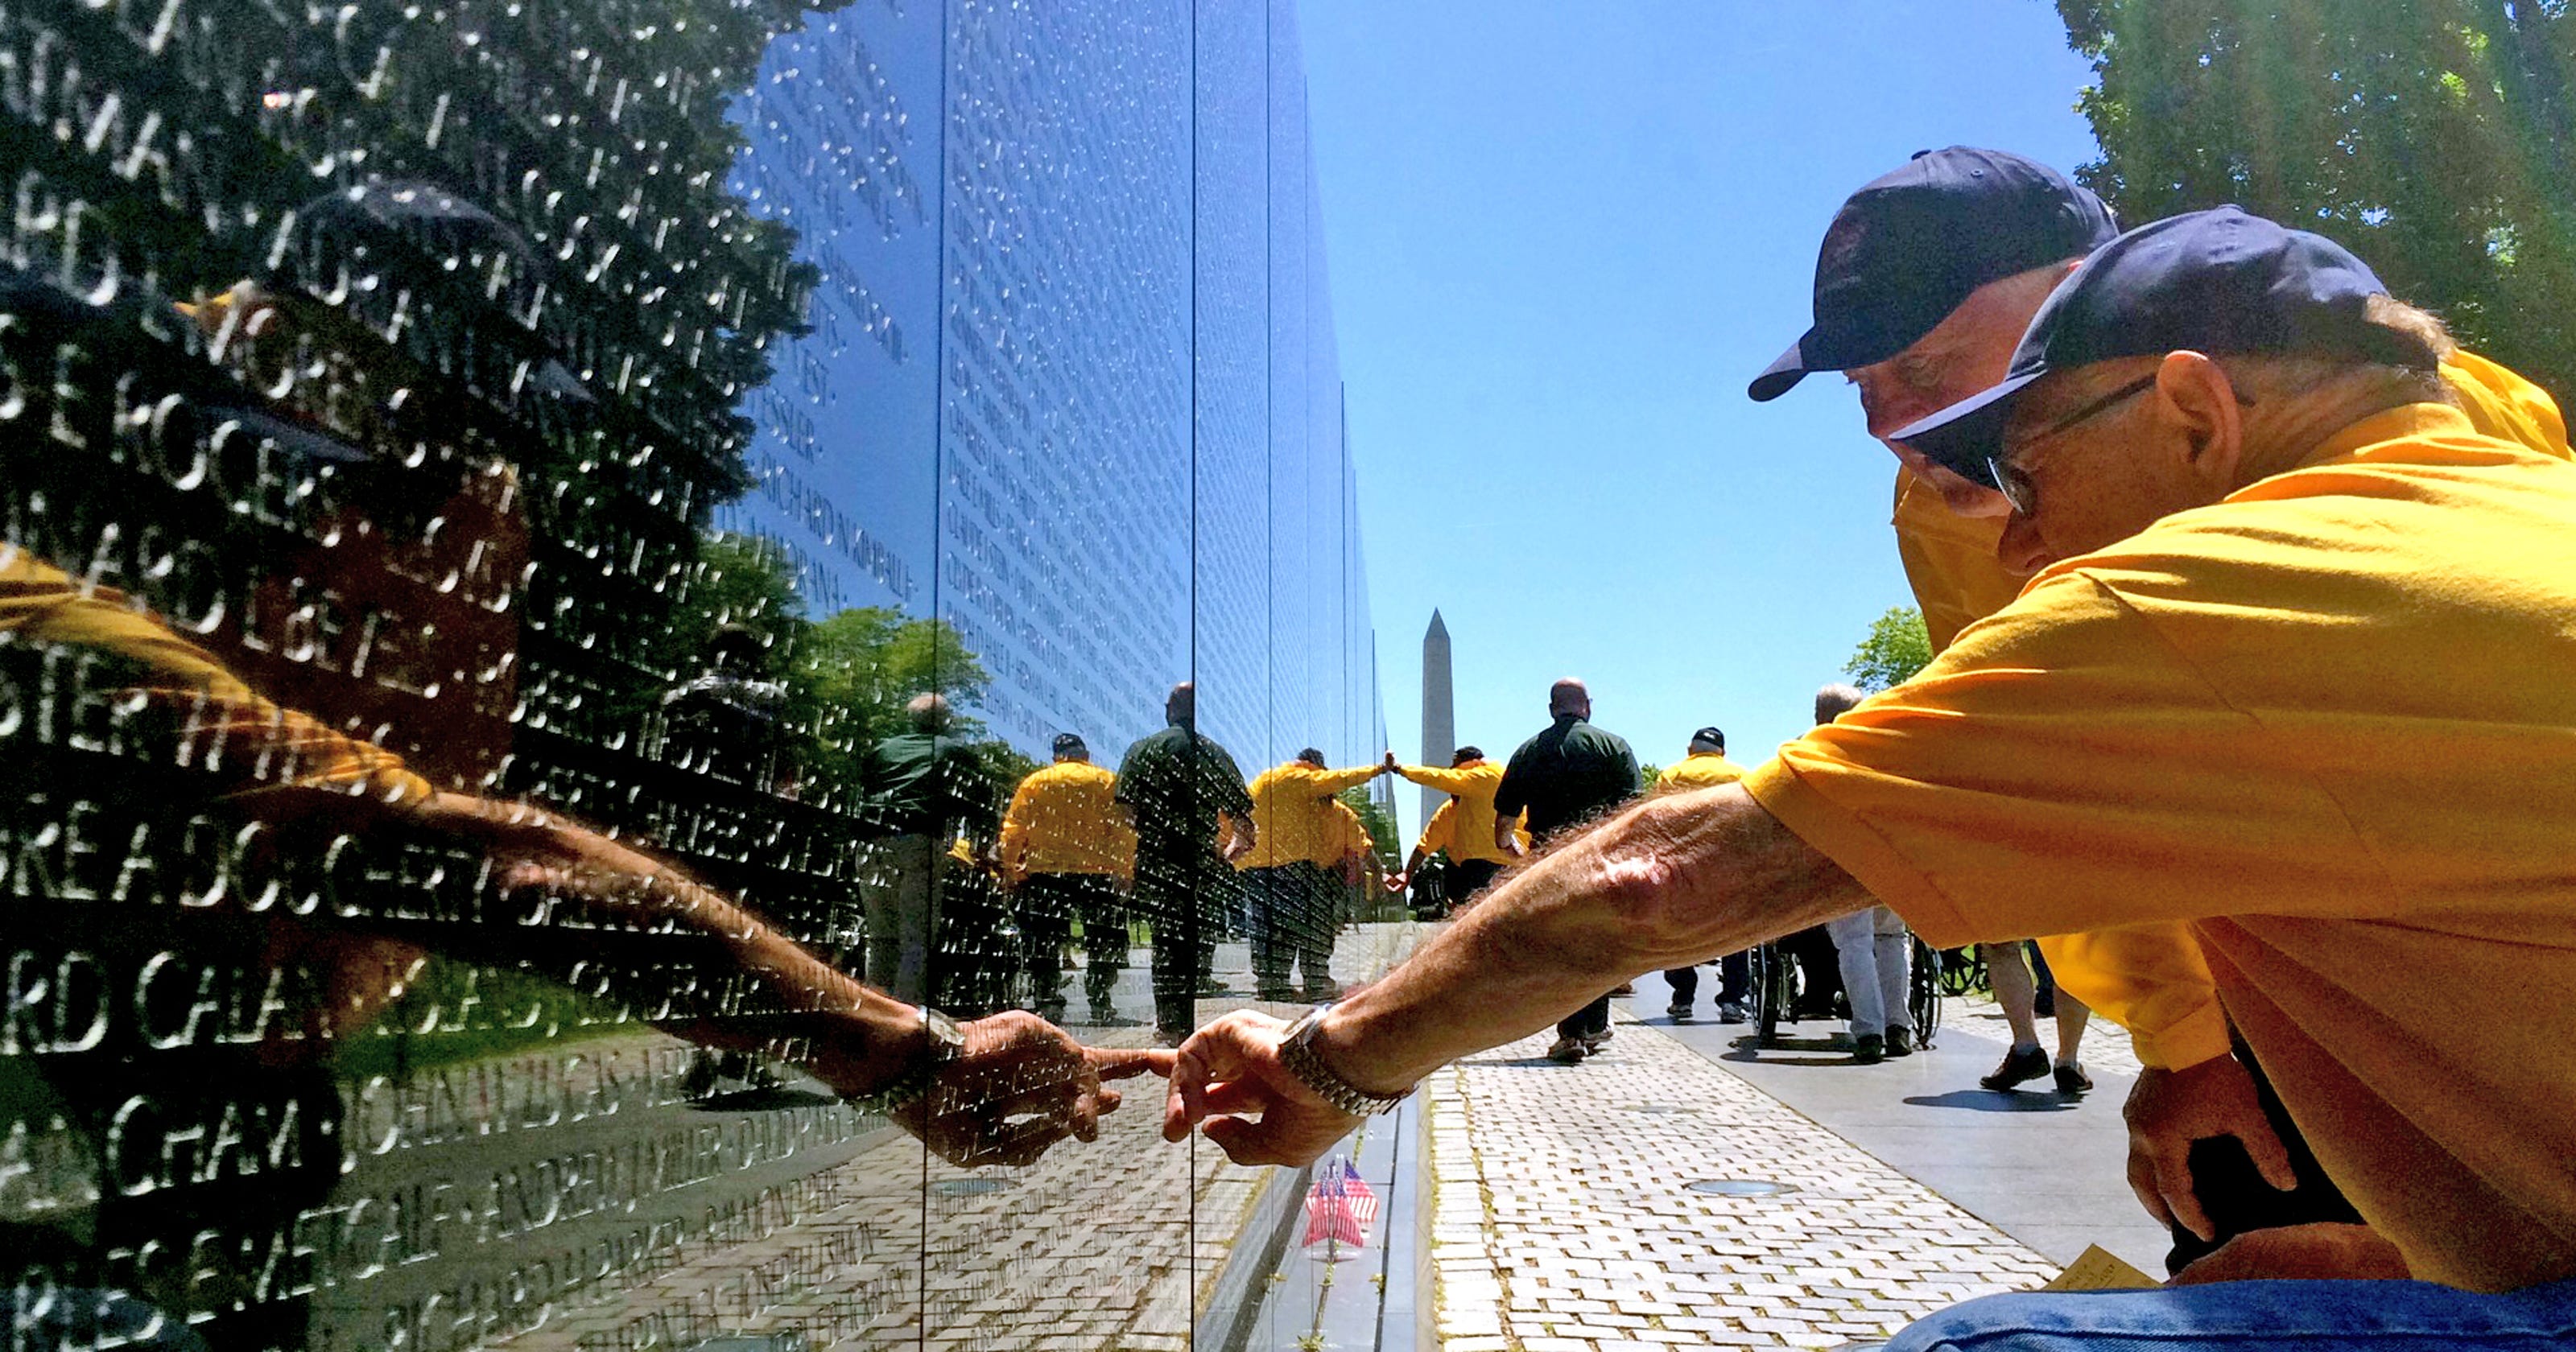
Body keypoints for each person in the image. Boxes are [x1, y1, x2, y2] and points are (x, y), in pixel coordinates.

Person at [1166, 210, 2576, 1343]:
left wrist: (1332, 1067)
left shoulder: (2228, 592)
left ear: (2197, 416)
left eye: (2022, 477)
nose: (2016, 551)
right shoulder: (2513, 492)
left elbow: (1660, 883)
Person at [1491, 678, 1640, 1062]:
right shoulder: (1614, 745)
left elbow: (1505, 820)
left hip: (1550, 859)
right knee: (1600, 941)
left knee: (1563, 943)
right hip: (1603, 856)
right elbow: (1636, 811)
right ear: (1587, 706)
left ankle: (1571, 1033)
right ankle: (1594, 1025)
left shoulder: (1528, 751)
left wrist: (1512, 845)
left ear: (1551, 708)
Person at [1117, 682, 1257, 1044]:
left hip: (1157, 858)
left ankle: (1169, 1022)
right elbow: (1245, 828)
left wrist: (1148, 840)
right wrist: (1224, 856)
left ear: (1169, 709)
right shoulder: (1216, 754)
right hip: (1199, 861)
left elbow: (1125, 813)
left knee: (1166, 941)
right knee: (1193, 940)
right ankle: (1187, 1022)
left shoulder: (1142, 750)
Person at [861, 692, 1000, 1004]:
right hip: (919, 840)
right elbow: (980, 803)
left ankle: (875, 1011)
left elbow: (864, 787)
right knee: (916, 937)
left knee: (881, 935)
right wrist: (983, 847)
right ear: (946, 721)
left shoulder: (883, 748)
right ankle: (908, 1016)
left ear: (909, 719)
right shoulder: (952, 750)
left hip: (870, 842)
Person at [1000, 732, 1140, 1024]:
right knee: (1103, 940)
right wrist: (1124, 872)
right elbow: (1123, 832)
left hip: (1046, 873)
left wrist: (1011, 869)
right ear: (1086, 755)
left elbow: (1014, 829)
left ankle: (1048, 1003)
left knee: (1045, 942)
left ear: (1055, 756)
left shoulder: (1035, 782)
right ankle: (1100, 1000)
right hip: (1096, 874)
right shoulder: (1107, 782)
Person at [1811, 686, 1917, 1062]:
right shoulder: (1889, 749)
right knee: (1892, 938)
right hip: (1897, 858)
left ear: (1819, 716)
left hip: (1848, 860)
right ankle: (1898, 1026)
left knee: (1854, 944)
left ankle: (1869, 1030)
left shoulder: (1816, 752)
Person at [1236, 749, 1387, 1001]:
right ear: (1317, 770)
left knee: (1268, 928)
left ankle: (1272, 983)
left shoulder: (1262, 784)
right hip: (1300, 868)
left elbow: (1240, 818)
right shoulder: (1305, 785)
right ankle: (1316, 981)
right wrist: (1379, 769)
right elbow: (1364, 845)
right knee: (1313, 928)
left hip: (1258, 870)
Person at [1649, 728, 1753, 1023]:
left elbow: (1658, 821)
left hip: (1685, 866)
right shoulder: (1741, 775)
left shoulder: (1671, 775)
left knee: (1680, 930)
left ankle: (1683, 996)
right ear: (1722, 752)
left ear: (1689, 750)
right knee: (1735, 933)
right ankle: (1732, 1000)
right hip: (1729, 865)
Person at [1386, 745, 1525, 911]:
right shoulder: (1452, 809)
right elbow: (1425, 845)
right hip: (1511, 865)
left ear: (1474, 763)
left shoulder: (1485, 775)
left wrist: (1399, 768)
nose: (1455, 776)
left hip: (1489, 868)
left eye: (1458, 771)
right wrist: (1407, 874)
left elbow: (1440, 778)